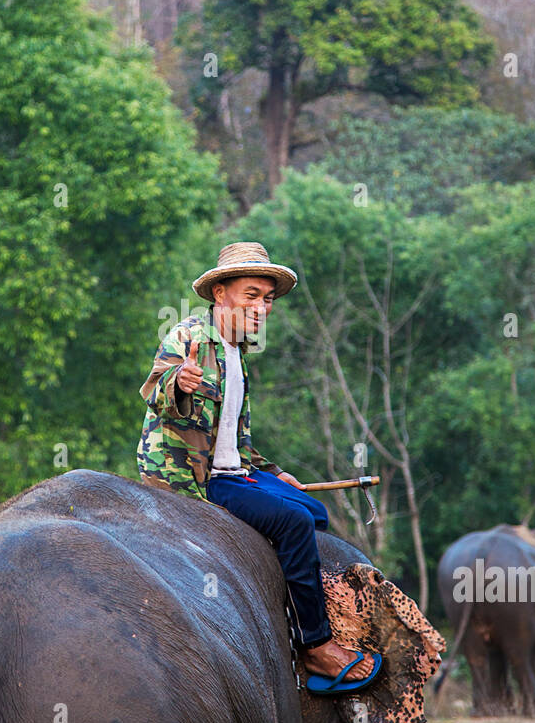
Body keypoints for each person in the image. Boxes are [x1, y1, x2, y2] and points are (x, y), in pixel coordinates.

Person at [137, 241, 378, 691]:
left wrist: (272, 472)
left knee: (314, 512)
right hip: (196, 481)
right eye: (251, 295)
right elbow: (156, 393)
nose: (262, 307)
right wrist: (179, 383)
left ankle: (282, 605)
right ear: (220, 294)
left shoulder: (238, 352)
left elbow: (234, 436)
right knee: (291, 523)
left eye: (267, 299)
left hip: (234, 470)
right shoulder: (187, 337)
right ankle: (316, 647)